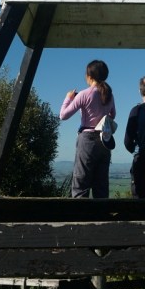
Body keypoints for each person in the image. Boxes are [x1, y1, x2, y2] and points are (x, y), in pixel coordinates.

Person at [60, 60, 116, 198]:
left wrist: (68, 99)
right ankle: (101, 217)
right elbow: (112, 114)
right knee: (101, 185)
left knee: (81, 182)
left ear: (89, 76)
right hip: (104, 140)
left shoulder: (84, 94)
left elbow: (63, 115)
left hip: (87, 140)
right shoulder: (109, 94)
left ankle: (80, 217)